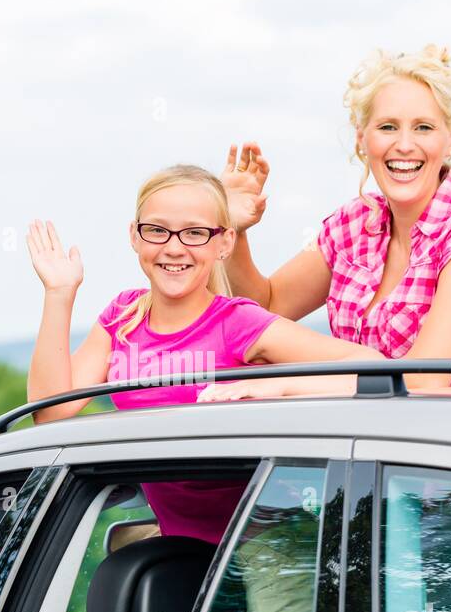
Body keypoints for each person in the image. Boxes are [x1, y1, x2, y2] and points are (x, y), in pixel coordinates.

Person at [25, 163, 386, 544]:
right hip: (185, 547)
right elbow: (51, 412)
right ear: (134, 236)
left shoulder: (237, 322)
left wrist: (274, 387)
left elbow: (370, 370)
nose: (174, 247)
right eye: (157, 230)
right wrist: (59, 294)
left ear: (224, 242)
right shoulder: (123, 319)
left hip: (272, 545)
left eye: (195, 233)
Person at [207, 44, 451, 402]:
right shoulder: (351, 225)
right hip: (362, 444)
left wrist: (285, 386)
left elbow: (423, 381)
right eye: (387, 127)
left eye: (423, 128)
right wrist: (234, 230)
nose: (404, 145)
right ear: (362, 138)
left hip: (447, 450)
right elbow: (267, 308)